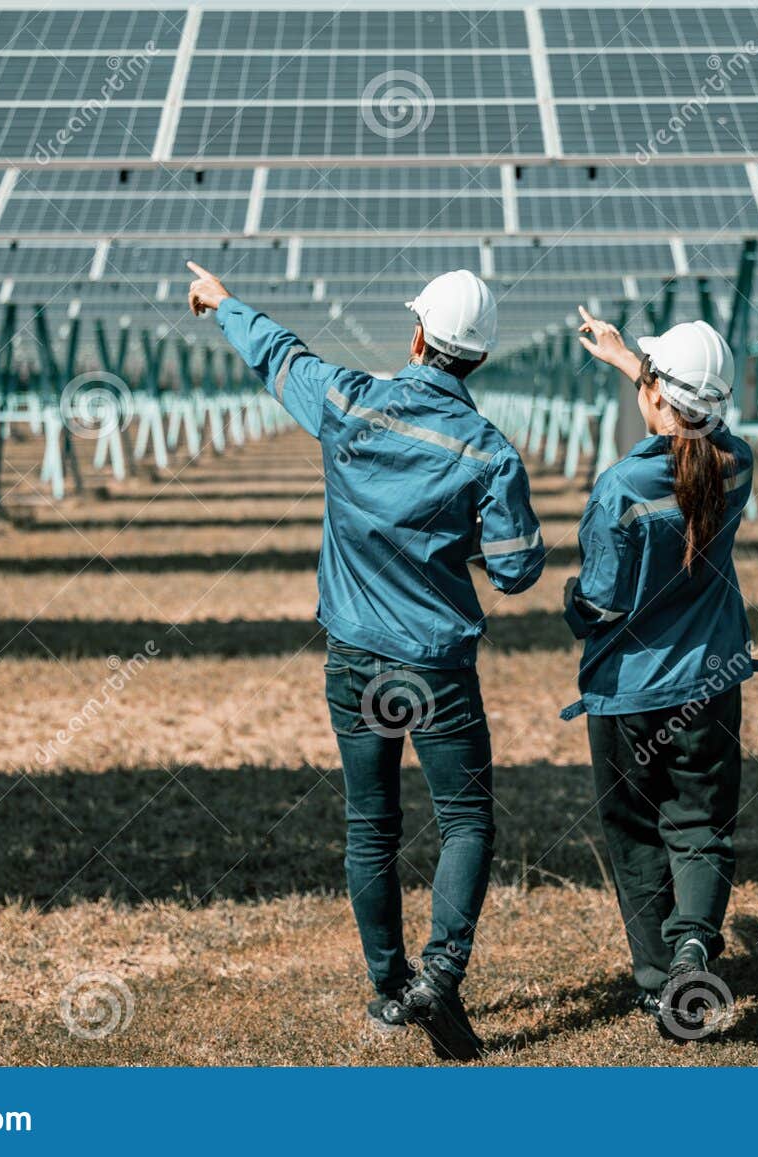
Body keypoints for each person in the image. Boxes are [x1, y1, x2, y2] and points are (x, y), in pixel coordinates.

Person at [187, 262, 546, 1061]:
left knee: (370, 824)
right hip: (438, 669)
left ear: (417, 338)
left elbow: (280, 355)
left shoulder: (349, 402)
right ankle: (441, 975)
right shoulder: (489, 453)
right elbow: (518, 569)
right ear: (478, 359)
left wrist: (223, 302)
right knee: (465, 819)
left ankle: (391, 990)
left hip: (355, 659)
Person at [561, 307, 758, 1043]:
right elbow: (692, 429)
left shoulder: (620, 487)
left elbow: (601, 598)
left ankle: (659, 984)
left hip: (630, 693)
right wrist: (632, 362)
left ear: (654, 394)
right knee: (701, 826)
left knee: (637, 834)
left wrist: (572, 608)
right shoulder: (736, 465)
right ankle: (693, 944)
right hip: (711, 684)